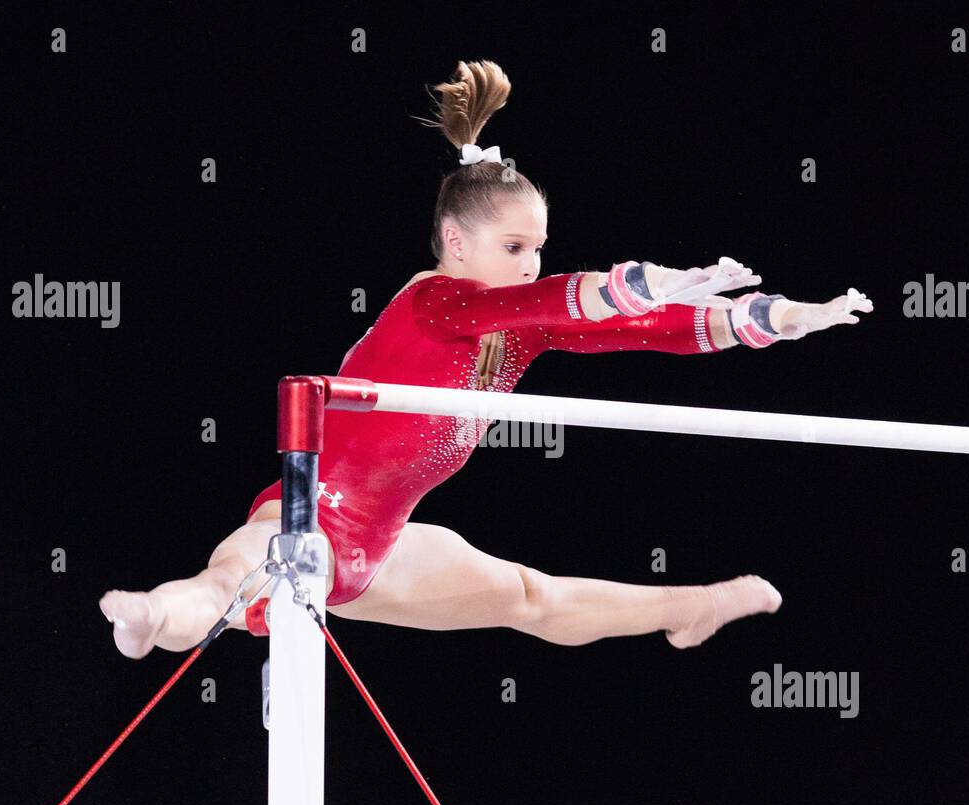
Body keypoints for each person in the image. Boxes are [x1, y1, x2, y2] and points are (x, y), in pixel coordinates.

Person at [100, 60, 871, 658]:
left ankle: (691, 607)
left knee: (530, 600)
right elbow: (561, 300)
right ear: (457, 243)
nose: (532, 263)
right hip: (304, 517)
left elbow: (639, 330)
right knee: (229, 582)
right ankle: (150, 616)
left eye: (539, 248)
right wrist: (632, 282)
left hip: (387, 547)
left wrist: (769, 319)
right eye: (514, 247)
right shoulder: (435, 301)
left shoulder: (516, 329)